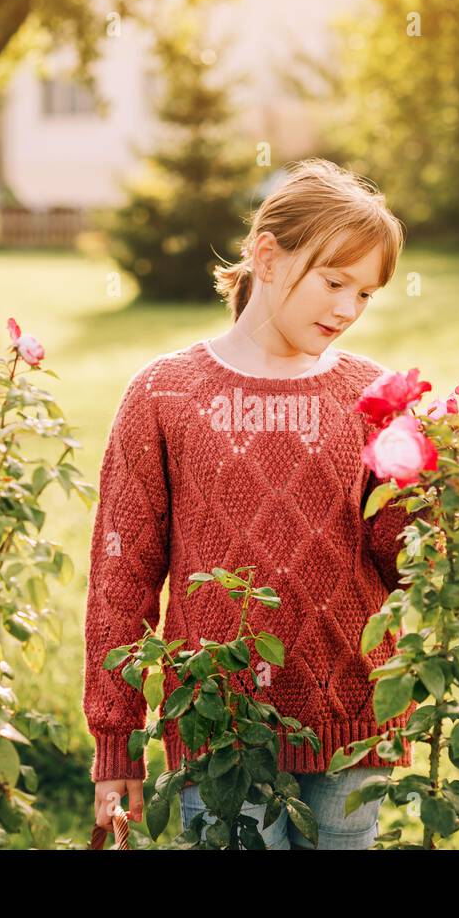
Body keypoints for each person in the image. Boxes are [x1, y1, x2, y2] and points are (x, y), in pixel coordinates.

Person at [84, 157, 419, 849]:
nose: (347, 309)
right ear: (267, 256)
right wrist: (116, 740)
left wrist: (445, 490)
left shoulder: (373, 395)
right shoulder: (165, 394)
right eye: (334, 282)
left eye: (365, 294)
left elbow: (406, 558)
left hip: (350, 718)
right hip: (219, 726)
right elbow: (122, 576)